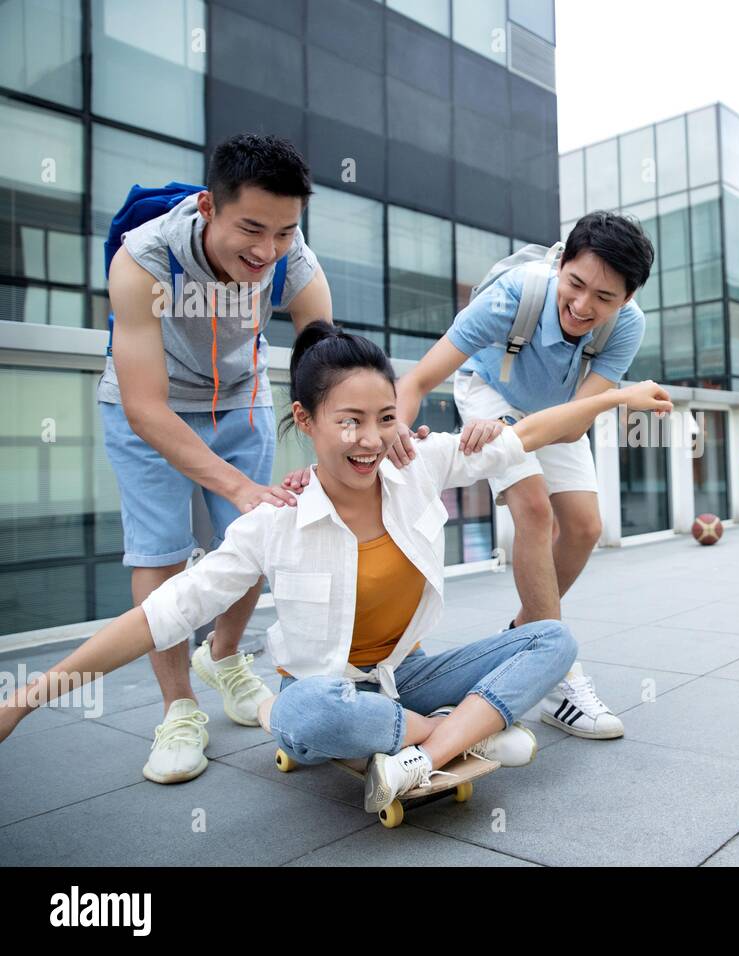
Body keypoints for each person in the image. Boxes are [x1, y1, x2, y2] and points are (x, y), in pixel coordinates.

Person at [0, 323, 674, 812]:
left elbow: (530, 433)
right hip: (329, 689)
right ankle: (461, 736)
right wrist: (23, 701)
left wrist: (617, 399)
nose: (371, 439)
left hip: (405, 676)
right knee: (304, 713)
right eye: (350, 421)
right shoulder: (274, 521)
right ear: (306, 419)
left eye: (384, 418)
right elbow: (160, 616)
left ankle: (423, 751)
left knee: (552, 638)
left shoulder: (416, 465)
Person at [283, 211, 655, 739]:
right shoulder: (515, 296)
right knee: (533, 507)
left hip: (558, 414)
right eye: (575, 284)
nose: (582, 305)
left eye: (604, 297)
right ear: (560, 265)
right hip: (489, 393)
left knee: (585, 526)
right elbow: (418, 380)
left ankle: (527, 632)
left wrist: (512, 433)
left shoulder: (627, 326)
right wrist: (391, 439)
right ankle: (558, 676)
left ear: (627, 298)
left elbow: (573, 424)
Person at [101, 132, 334, 783]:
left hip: (240, 396)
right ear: (209, 207)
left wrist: (354, 435)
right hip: (149, 405)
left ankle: (224, 656)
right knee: (160, 554)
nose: (267, 251)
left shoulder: (292, 258)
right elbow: (145, 407)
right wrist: (236, 486)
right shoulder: (143, 260)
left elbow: (324, 357)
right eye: (251, 229)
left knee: (258, 535)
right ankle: (179, 708)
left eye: (284, 231)